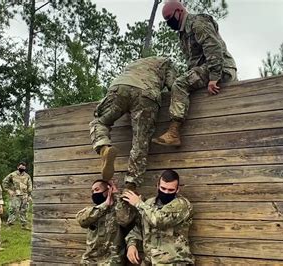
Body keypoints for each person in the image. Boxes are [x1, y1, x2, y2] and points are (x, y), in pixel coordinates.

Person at [152, 1, 238, 147]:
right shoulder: (184, 33)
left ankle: (173, 132)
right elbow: (193, 62)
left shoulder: (197, 23)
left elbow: (214, 47)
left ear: (179, 12)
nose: (169, 23)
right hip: (208, 68)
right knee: (178, 84)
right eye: (166, 21)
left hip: (220, 68)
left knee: (179, 84)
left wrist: (214, 77)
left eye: (170, 18)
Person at [89, 56, 177, 191]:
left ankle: (103, 148)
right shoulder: (167, 62)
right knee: (140, 142)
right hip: (147, 92)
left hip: (119, 87)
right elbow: (174, 86)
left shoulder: (134, 63)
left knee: (100, 121)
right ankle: (131, 185)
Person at [123, 169, 194, 265]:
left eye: (171, 190)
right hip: (150, 262)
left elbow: (158, 220)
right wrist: (132, 244)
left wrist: (139, 204)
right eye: (163, 188)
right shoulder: (149, 203)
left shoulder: (182, 205)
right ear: (157, 185)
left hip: (174, 262)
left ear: (177, 189)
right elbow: (138, 228)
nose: (166, 192)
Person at [76, 179, 139, 265]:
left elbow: (125, 220)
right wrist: (105, 205)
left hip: (111, 261)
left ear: (108, 190)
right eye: (92, 191)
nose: (94, 193)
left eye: (97, 189)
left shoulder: (119, 210)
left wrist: (116, 195)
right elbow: (81, 220)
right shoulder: (93, 211)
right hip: (90, 260)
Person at [2, 162, 32, 229]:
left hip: (25, 196)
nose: (22, 168)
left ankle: (24, 225)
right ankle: (10, 225)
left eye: (23, 167)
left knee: (24, 210)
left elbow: (30, 186)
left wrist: (29, 195)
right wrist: (9, 190)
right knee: (13, 210)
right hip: (15, 195)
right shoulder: (12, 175)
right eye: (21, 167)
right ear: (17, 167)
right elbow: (4, 182)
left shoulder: (27, 176)